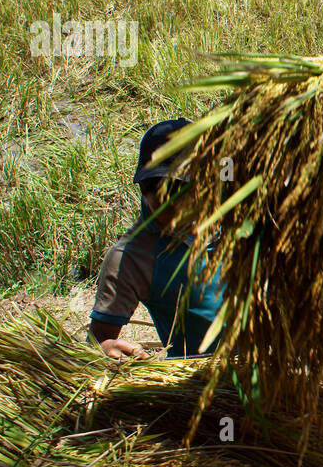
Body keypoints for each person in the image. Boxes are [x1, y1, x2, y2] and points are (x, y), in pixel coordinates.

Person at [88, 119, 225, 359]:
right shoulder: (130, 258)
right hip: (211, 383)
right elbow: (95, 345)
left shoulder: (231, 205)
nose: (162, 200)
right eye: (151, 185)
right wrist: (105, 349)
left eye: (175, 188)